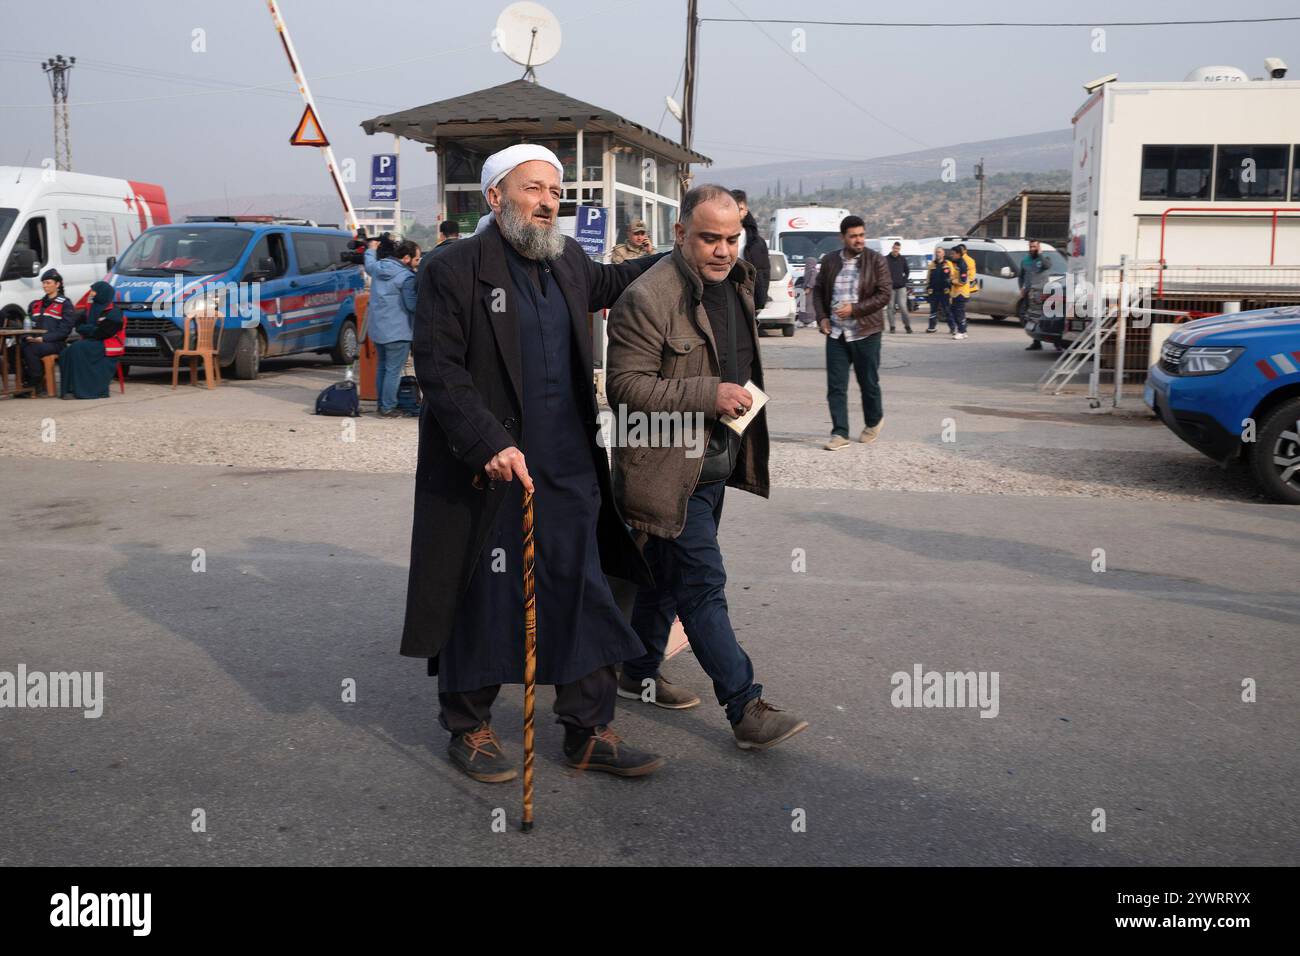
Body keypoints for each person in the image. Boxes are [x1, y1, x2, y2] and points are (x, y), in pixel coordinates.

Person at [401, 143, 665, 783]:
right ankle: (470, 728)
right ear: (495, 198)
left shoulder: (568, 260)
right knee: (484, 594)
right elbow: (440, 372)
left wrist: (686, 254)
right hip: (489, 467)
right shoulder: (453, 269)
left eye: (556, 192)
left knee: (584, 590)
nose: (550, 203)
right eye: (535, 190)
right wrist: (489, 443)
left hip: (570, 466)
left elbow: (615, 282)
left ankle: (587, 731)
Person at [607, 184, 808, 749]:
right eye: (709, 238)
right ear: (680, 235)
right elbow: (623, 388)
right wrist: (707, 395)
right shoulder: (647, 297)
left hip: (715, 460)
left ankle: (638, 672)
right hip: (667, 469)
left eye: (731, 238)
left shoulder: (740, 282)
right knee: (701, 583)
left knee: (665, 581)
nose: (723, 250)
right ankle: (745, 706)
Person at [813, 215, 891, 451]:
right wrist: (822, 317)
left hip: (866, 332)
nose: (859, 240)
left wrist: (855, 309)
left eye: (862, 235)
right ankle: (839, 433)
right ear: (843, 238)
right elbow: (818, 291)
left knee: (868, 382)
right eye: (853, 236)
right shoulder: (829, 261)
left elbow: (884, 294)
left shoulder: (876, 261)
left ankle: (874, 421)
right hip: (837, 334)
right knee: (836, 386)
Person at [364, 238, 420, 417]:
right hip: (398, 331)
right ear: (406, 258)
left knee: (382, 367)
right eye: (416, 259)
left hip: (378, 329)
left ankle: (381, 404)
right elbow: (411, 305)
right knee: (393, 371)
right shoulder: (406, 277)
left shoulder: (378, 268)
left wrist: (371, 249)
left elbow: (369, 263)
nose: (417, 263)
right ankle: (388, 407)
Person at [58, 282, 124, 400]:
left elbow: (103, 333)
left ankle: (85, 390)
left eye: (94, 291)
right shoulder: (90, 308)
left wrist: (88, 329)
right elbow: (78, 325)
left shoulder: (114, 312)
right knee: (65, 352)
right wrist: (91, 329)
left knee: (78, 349)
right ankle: (68, 389)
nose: (91, 293)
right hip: (92, 341)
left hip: (108, 344)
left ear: (102, 293)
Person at [20, 269, 75, 396]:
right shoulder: (35, 304)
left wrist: (44, 338)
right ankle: (24, 384)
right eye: (43, 283)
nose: (45, 286)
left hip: (56, 343)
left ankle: (35, 383)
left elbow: (65, 330)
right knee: (16, 348)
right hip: (36, 341)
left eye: (48, 283)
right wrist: (26, 336)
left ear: (57, 284)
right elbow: (27, 324)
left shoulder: (65, 304)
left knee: (31, 349)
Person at [730, 189, 770, 311]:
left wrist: (761, 297)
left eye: (740, 209)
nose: (737, 213)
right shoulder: (719, 237)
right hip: (725, 292)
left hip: (749, 296)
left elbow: (764, 271)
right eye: (734, 209)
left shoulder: (757, 243)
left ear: (746, 210)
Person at [1019, 239, 1051, 351]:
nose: (1032, 249)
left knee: (1045, 317)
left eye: (1034, 247)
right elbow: (1021, 276)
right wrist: (1021, 287)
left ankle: (1057, 342)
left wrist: (1040, 254)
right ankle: (1036, 342)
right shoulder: (1025, 261)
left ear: (1038, 247)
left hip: (1042, 294)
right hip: (1029, 293)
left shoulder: (1044, 259)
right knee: (1029, 317)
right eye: (1030, 246)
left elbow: (1047, 266)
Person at [947, 244, 975, 340]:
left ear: (959, 254)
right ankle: (964, 331)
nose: (952, 255)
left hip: (961, 293)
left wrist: (952, 281)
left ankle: (961, 331)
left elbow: (963, 281)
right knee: (956, 312)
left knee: (958, 312)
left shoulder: (962, 264)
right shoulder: (956, 262)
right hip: (956, 292)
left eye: (953, 254)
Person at [885, 241, 913, 333]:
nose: (896, 250)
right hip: (890, 288)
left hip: (901, 287)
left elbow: (907, 271)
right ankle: (892, 327)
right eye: (895, 248)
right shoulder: (886, 259)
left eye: (898, 249)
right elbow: (882, 272)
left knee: (903, 307)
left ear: (899, 249)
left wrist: (903, 281)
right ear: (892, 248)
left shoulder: (902, 259)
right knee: (890, 307)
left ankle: (907, 326)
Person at [925, 245, 953, 334]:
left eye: (939, 252)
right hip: (934, 291)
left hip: (944, 291)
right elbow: (928, 278)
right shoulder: (932, 264)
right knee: (933, 310)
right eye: (936, 252)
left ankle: (953, 327)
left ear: (943, 253)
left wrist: (950, 287)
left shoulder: (948, 264)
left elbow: (953, 276)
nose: (937, 254)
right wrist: (928, 288)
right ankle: (931, 327)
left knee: (947, 310)